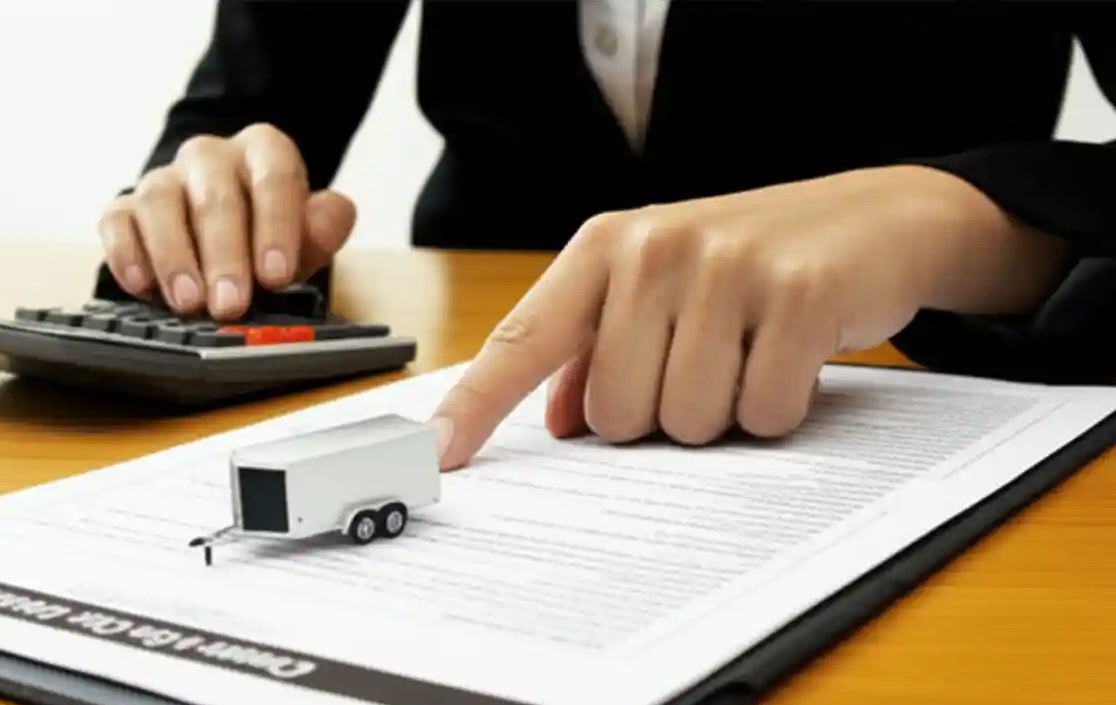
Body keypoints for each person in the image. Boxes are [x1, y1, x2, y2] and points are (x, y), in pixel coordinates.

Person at [95, 1, 1115, 471]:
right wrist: (205, 201)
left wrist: (961, 213)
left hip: (911, 385)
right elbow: (244, 113)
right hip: (491, 380)